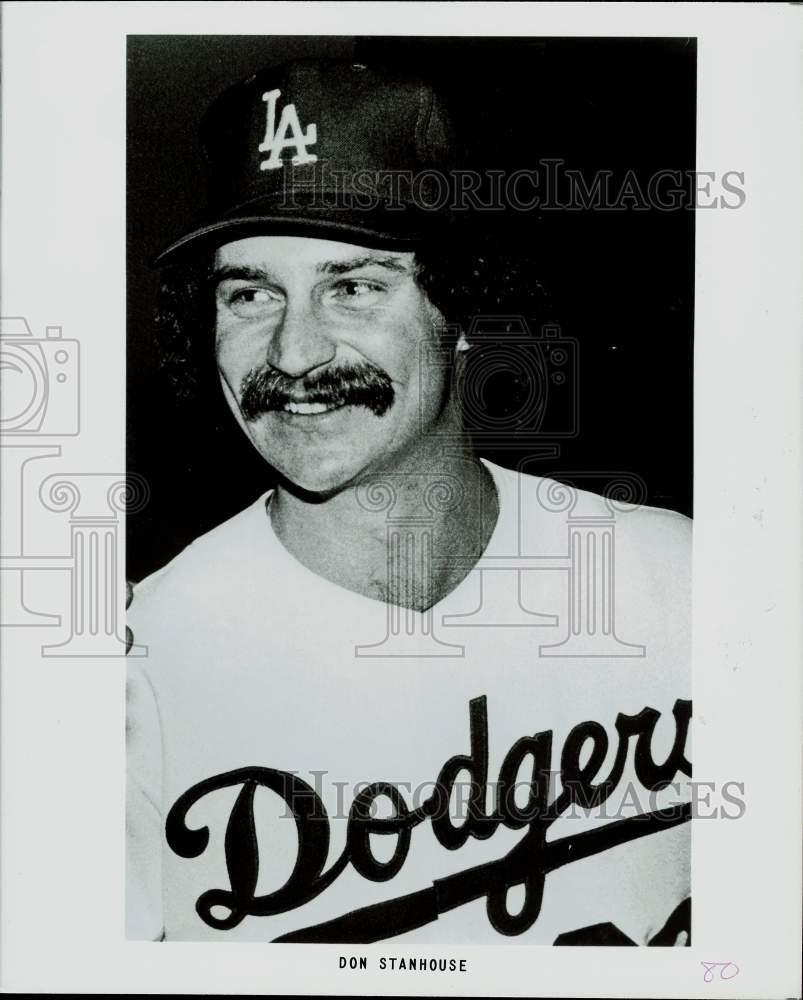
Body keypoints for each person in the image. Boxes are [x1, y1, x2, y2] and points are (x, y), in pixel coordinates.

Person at [127, 57, 692, 945]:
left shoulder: (679, 580)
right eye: (251, 295)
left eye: (353, 287)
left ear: (462, 310)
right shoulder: (134, 665)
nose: (294, 351)